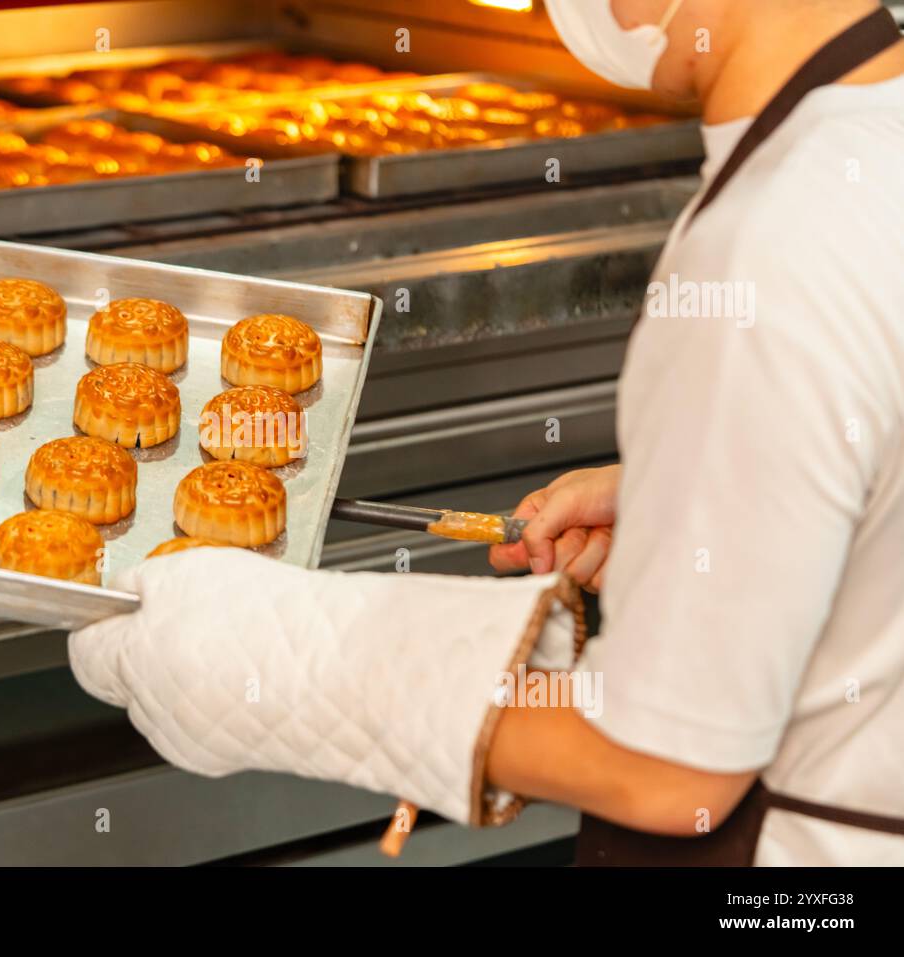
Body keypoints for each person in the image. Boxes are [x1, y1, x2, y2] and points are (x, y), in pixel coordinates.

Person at [69, 0, 904, 865]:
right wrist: (704, 489)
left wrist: (284, 663)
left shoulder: (771, 247)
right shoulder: (873, 140)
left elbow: (669, 771)